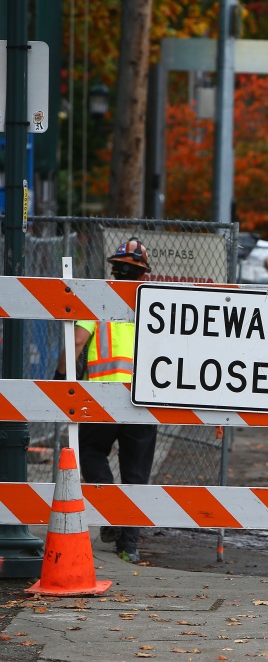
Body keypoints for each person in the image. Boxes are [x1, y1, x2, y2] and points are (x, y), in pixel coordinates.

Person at [54, 238, 157, 563]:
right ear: (143, 275)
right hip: (142, 400)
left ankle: (110, 512)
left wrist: (58, 382)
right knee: (136, 474)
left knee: (90, 453)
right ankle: (129, 545)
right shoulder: (155, 307)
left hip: (100, 398)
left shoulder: (99, 301)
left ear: (113, 271)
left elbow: (77, 342)